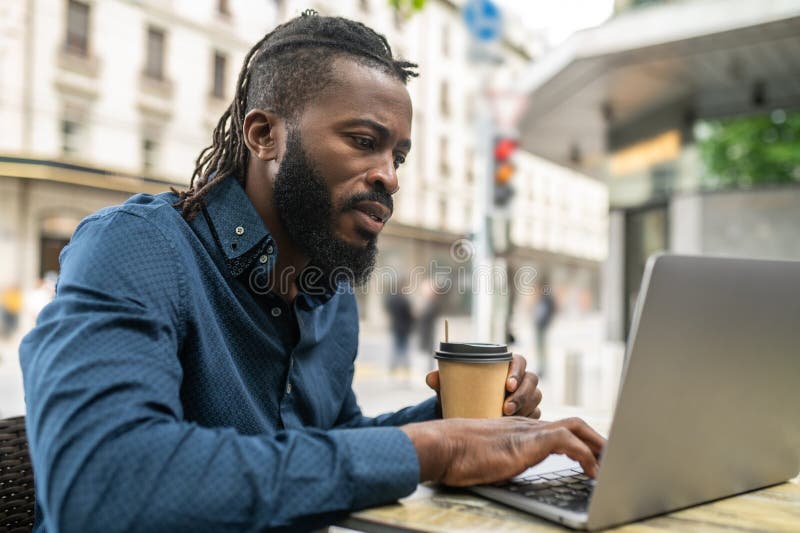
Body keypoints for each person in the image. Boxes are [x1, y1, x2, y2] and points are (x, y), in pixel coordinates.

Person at [19, 12, 604, 531]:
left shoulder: (329, 292)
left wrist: (456, 419)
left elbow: (328, 441)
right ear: (264, 134)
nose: (390, 176)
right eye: (363, 141)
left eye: (396, 155)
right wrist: (430, 450)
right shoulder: (137, 247)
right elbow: (98, 488)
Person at [385, 285, 414, 374]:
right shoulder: (404, 300)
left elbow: (388, 308)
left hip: (396, 326)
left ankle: (393, 366)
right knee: (404, 348)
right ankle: (405, 366)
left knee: (396, 347)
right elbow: (409, 314)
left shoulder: (392, 300)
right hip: (404, 327)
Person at [534, 279, 557, 379]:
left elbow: (544, 314)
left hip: (542, 327)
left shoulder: (545, 300)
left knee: (541, 349)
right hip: (541, 327)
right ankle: (542, 368)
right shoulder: (545, 299)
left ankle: (543, 369)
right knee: (541, 349)